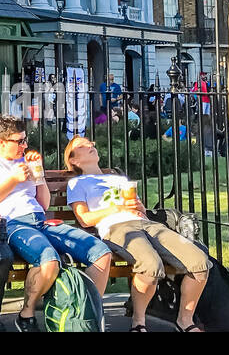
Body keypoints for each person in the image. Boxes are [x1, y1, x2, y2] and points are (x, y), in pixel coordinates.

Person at [0, 115, 112, 332]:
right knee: (49, 261)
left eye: (25, 140)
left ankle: (86, 313)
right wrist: (14, 180)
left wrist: (39, 175)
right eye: (19, 141)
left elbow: (43, 204)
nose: (24, 146)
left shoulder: (26, 161)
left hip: (41, 221)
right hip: (13, 225)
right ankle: (26, 314)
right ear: (0, 142)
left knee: (101, 252)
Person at [63, 135, 209, 332]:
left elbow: (139, 209)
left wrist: (139, 207)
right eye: (82, 145)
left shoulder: (118, 178)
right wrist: (117, 208)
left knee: (199, 262)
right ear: (74, 160)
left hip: (146, 224)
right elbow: (84, 219)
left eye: (91, 143)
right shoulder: (78, 183)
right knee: (150, 264)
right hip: (117, 228)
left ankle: (185, 320)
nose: (91, 145)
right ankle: (138, 322)